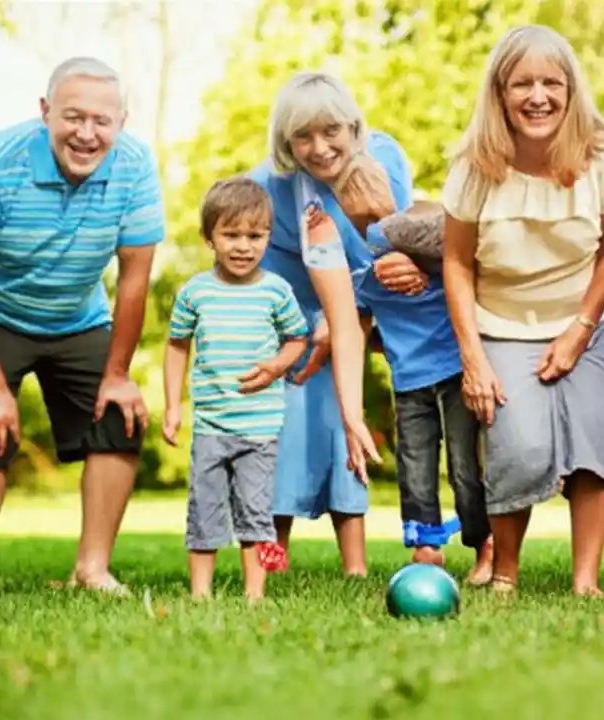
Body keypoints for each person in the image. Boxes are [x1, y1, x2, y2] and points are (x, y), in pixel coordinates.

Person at [0, 57, 163, 599]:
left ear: (121, 121)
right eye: (72, 117)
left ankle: (92, 569)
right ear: (45, 112)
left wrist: (117, 374)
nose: (86, 134)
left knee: (120, 420)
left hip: (78, 315)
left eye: (101, 121)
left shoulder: (134, 165)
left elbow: (133, 281)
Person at [441, 25, 604, 596]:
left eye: (552, 82)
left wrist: (580, 329)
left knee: (593, 444)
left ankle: (585, 581)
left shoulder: (603, 154)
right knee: (518, 444)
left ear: (571, 91)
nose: (538, 96)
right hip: (500, 321)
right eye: (522, 83)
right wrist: (474, 357)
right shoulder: (474, 166)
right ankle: (505, 574)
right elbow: (456, 262)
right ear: (499, 93)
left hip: (586, 316)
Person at [247, 71, 410, 576]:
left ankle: (355, 565)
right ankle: (274, 558)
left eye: (331, 131)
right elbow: (264, 278)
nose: (319, 148)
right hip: (292, 321)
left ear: (353, 126)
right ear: (285, 140)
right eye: (303, 136)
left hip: (364, 308)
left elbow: (396, 249)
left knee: (345, 427)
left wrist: (350, 316)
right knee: (284, 429)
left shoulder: (386, 161)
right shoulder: (265, 187)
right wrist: (306, 327)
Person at [329, 150, 494, 584]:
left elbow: (458, 252)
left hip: (456, 372)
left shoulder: (428, 251)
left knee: (465, 467)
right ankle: (426, 547)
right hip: (408, 383)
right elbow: (356, 328)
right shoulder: (365, 275)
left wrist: (416, 261)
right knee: (415, 466)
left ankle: (484, 544)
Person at [163, 178, 310, 601]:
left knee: (256, 512)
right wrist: (174, 407)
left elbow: (297, 339)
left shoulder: (276, 292)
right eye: (231, 235)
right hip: (211, 424)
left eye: (254, 235)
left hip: (260, 427)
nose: (243, 246)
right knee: (204, 511)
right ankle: (200, 594)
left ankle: (254, 594)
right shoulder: (196, 292)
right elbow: (176, 347)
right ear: (209, 237)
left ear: (267, 236)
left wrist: (277, 366)